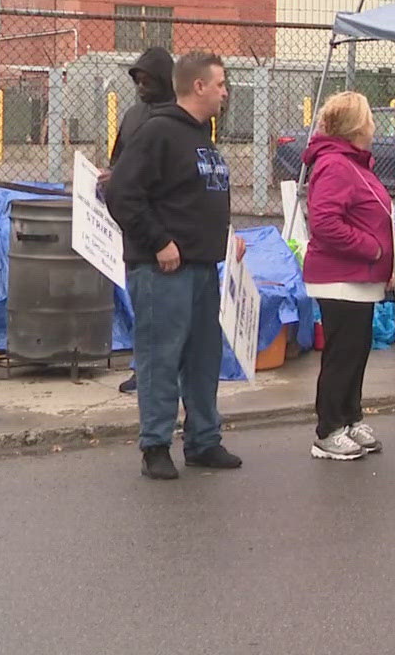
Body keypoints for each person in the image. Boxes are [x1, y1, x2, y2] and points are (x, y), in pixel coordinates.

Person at [107, 52, 245, 480]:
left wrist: (226, 237)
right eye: (220, 84)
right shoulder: (158, 133)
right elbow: (122, 195)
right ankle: (156, 446)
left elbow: (196, 195)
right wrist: (160, 242)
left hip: (203, 268)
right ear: (198, 86)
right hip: (162, 271)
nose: (225, 92)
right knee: (160, 358)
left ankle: (204, 440)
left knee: (204, 358)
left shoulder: (202, 135)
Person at [301, 92, 395, 461]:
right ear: (358, 125)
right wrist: (371, 249)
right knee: (342, 352)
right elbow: (325, 221)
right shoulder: (337, 165)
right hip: (341, 275)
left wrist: (384, 261)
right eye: (370, 119)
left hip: (361, 275)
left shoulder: (353, 164)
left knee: (356, 350)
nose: (374, 127)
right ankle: (328, 429)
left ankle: (350, 416)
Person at [107, 47, 174, 395]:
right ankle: (144, 370)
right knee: (144, 305)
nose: (142, 87)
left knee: (168, 310)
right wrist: (110, 178)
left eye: (148, 80)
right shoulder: (133, 116)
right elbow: (118, 162)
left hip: (170, 230)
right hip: (138, 228)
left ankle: (164, 373)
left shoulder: (179, 118)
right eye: (138, 81)